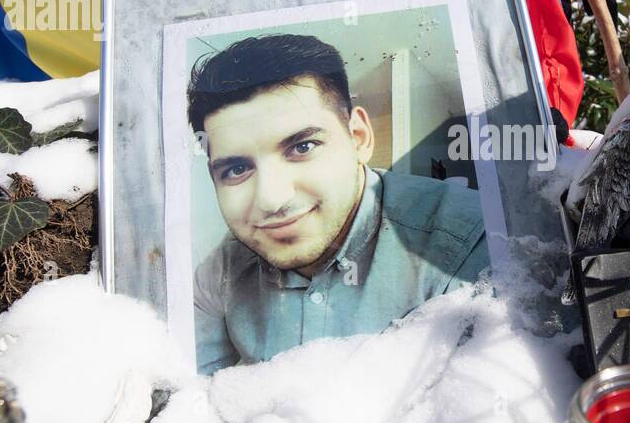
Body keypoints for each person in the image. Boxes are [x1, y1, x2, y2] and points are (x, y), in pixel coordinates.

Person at [187, 33, 489, 374]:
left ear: (359, 137)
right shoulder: (219, 272)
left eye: (302, 147)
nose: (272, 200)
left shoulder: (471, 243)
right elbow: (195, 400)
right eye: (237, 169)